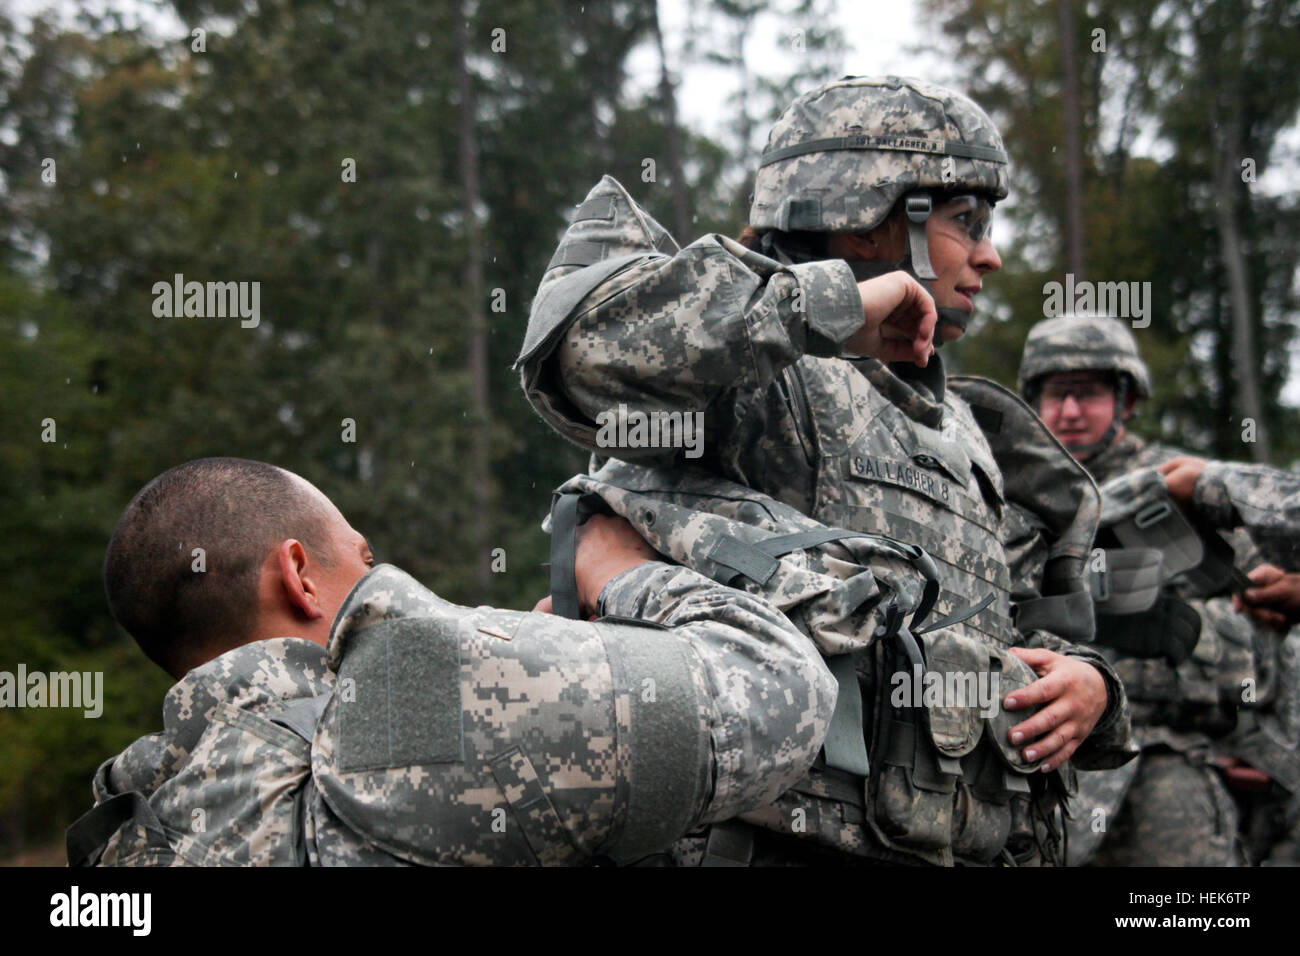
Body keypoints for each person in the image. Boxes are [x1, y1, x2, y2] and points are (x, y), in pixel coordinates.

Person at [518, 75, 1136, 866]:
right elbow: (590, 352)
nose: (991, 252)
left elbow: (1028, 631)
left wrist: (1090, 691)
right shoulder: (744, 376)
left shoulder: (974, 438)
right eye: (965, 220)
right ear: (872, 219)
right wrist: (832, 304)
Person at [67, 457, 837, 866]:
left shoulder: (137, 818)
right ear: (299, 574)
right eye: (361, 560)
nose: (377, 571)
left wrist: (556, 666)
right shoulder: (394, 721)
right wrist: (623, 574)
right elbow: (780, 688)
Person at [1019, 313, 1300, 865]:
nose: (1070, 412)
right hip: (1032, 759)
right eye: (1056, 394)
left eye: (1089, 394)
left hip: (1162, 763)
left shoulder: (1182, 490)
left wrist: (1181, 637)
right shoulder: (1007, 490)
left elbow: (1261, 655)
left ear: (1125, 401)